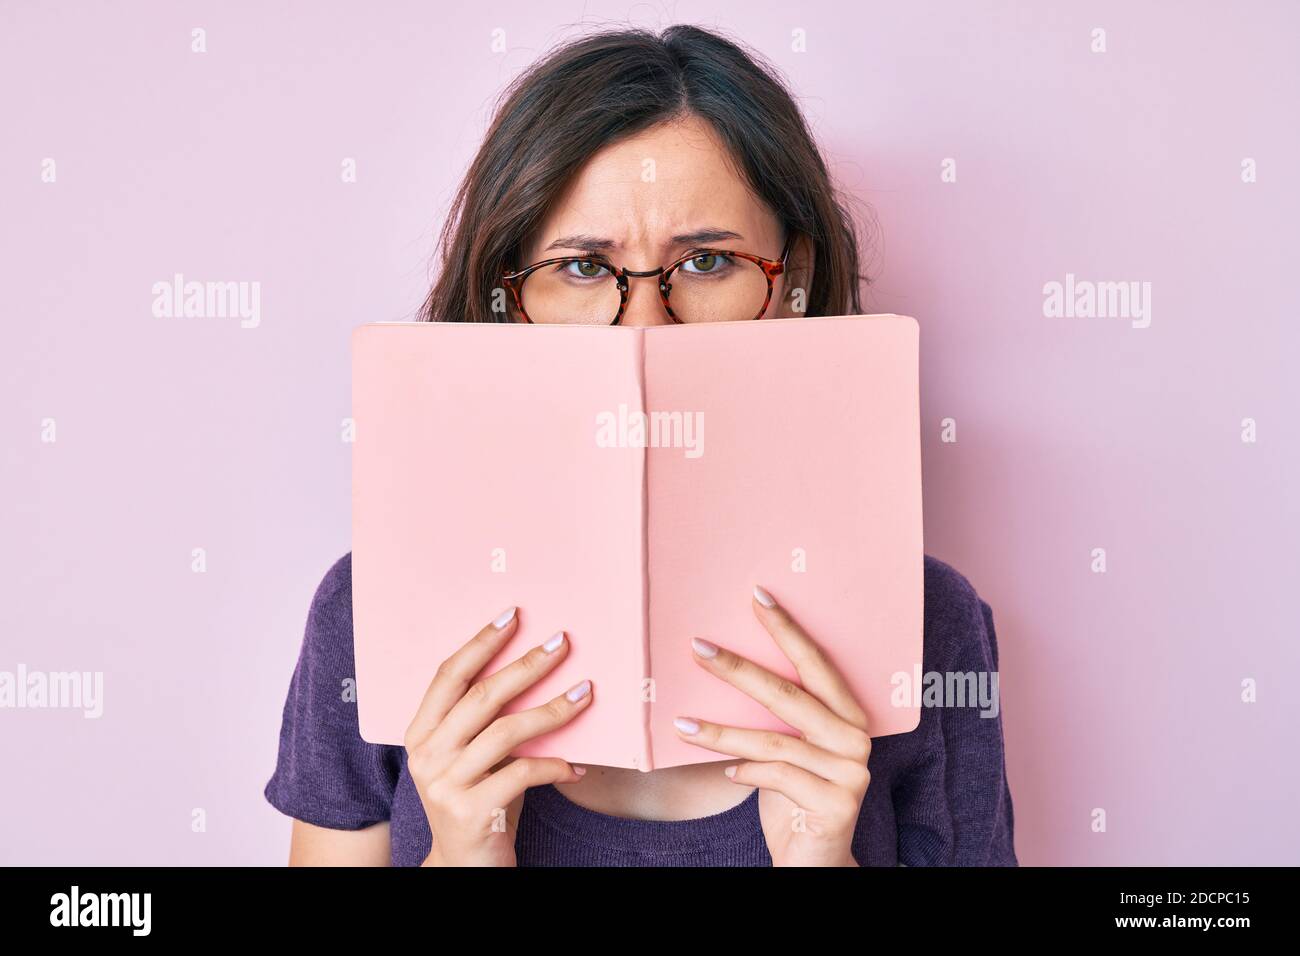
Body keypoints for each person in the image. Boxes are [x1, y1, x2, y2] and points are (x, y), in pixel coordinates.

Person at [265, 23, 1016, 867]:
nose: (647, 326)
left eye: (705, 262)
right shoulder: (371, 614)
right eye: (584, 268)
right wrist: (464, 853)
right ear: (509, 299)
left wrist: (820, 859)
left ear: (793, 279)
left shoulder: (932, 628)